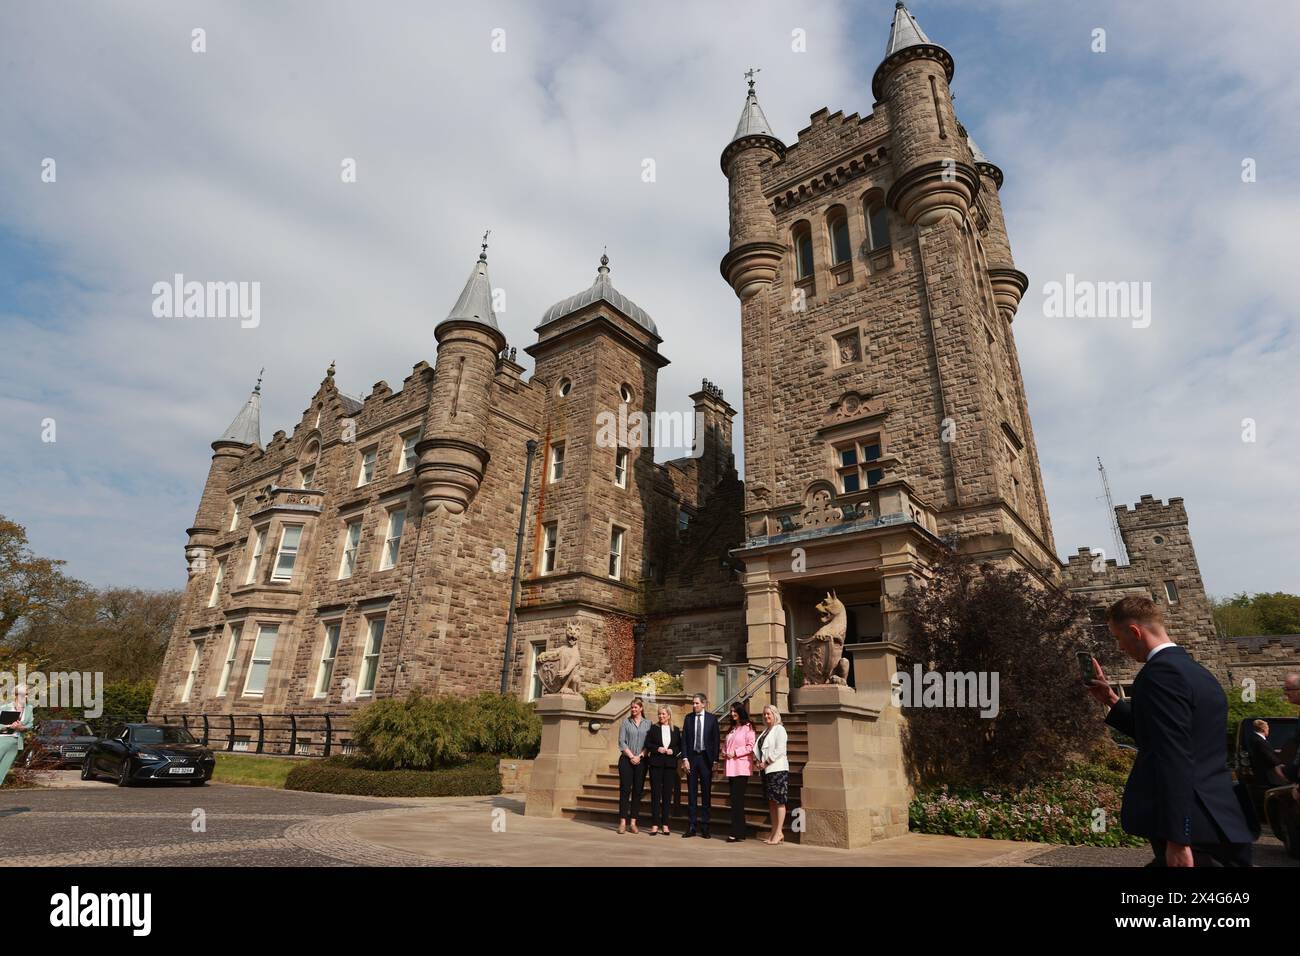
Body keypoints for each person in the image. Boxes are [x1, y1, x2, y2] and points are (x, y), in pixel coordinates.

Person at [1087, 596, 1254, 867]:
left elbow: (1172, 755)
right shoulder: (1198, 673)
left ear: (1134, 632)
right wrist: (1112, 700)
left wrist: (1178, 837)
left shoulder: (1158, 675)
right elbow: (1162, 738)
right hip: (1221, 815)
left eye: (1118, 638)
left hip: (1193, 826)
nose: (1120, 647)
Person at [679, 693, 719, 838]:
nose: (694, 705)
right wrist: (685, 759)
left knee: (706, 794)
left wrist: (715, 761)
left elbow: (716, 741)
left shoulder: (712, 719)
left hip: (706, 760)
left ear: (703, 704)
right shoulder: (688, 718)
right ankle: (691, 826)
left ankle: (705, 827)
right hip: (692, 759)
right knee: (691, 794)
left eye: (696, 703)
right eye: (693, 703)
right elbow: (684, 741)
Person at [720, 701, 756, 843]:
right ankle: (739, 832)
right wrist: (724, 751)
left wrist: (735, 753)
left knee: (737, 801)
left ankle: (736, 832)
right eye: (731, 711)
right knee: (735, 801)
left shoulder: (748, 728)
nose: (732, 713)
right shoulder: (732, 728)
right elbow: (725, 745)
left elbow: (750, 747)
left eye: (735, 711)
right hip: (731, 768)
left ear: (740, 711)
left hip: (741, 769)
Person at [754, 703, 789, 846]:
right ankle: (774, 832)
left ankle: (779, 832)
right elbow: (759, 749)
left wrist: (766, 762)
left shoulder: (779, 729)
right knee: (771, 802)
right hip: (767, 770)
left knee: (779, 801)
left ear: (775, 715)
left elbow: (780, 750)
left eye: (769, 714)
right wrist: (758, 761)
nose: (766, 716)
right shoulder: (765, 731)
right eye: (765, 714)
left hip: (777, 769)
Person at [616, 696, 650, 834]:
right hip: (626, 760)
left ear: (641, 708)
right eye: (632, 707)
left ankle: (633, 822)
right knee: (625, 790)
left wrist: (640, 756)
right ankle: (623, 822)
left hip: (642, 761)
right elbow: (621, 742)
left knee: (637, 791)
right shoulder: (625, 723)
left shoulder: (648, 724)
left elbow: (649, 743)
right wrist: (631, 756)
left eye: (636, 707)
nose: (633, 709)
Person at [646, 703, 681, 835]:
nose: (661, 716)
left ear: (669, 715)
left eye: (663, 714)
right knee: (655, 795)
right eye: (659, 714)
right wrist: (657, 748)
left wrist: (673, 751)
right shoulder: (653, 729)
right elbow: (648, 744)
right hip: (655, 765)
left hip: (670, 766)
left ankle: (665, 824)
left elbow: (680, 747)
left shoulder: (676, 730)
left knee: (667, 795)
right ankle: (655, 824)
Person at [0, 683, 34, 786]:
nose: (26, 696)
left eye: (27, 694)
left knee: (4, 768)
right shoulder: (5, 707)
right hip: (2, 740)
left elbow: (30, 724)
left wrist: (21, 727)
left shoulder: (29, 708)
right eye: (24, 694)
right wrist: (8, 726)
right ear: (16, 695)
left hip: (16, 742)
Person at [1244, 719, 1288, 788]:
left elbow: (1265, 751)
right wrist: (1281, 764)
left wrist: (1275, 751)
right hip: (1267, 774)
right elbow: (1268, 756)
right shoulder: (1259, 740)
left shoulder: (1255, 738)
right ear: (1263, 729)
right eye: (1268, 728)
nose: (1268, 730)